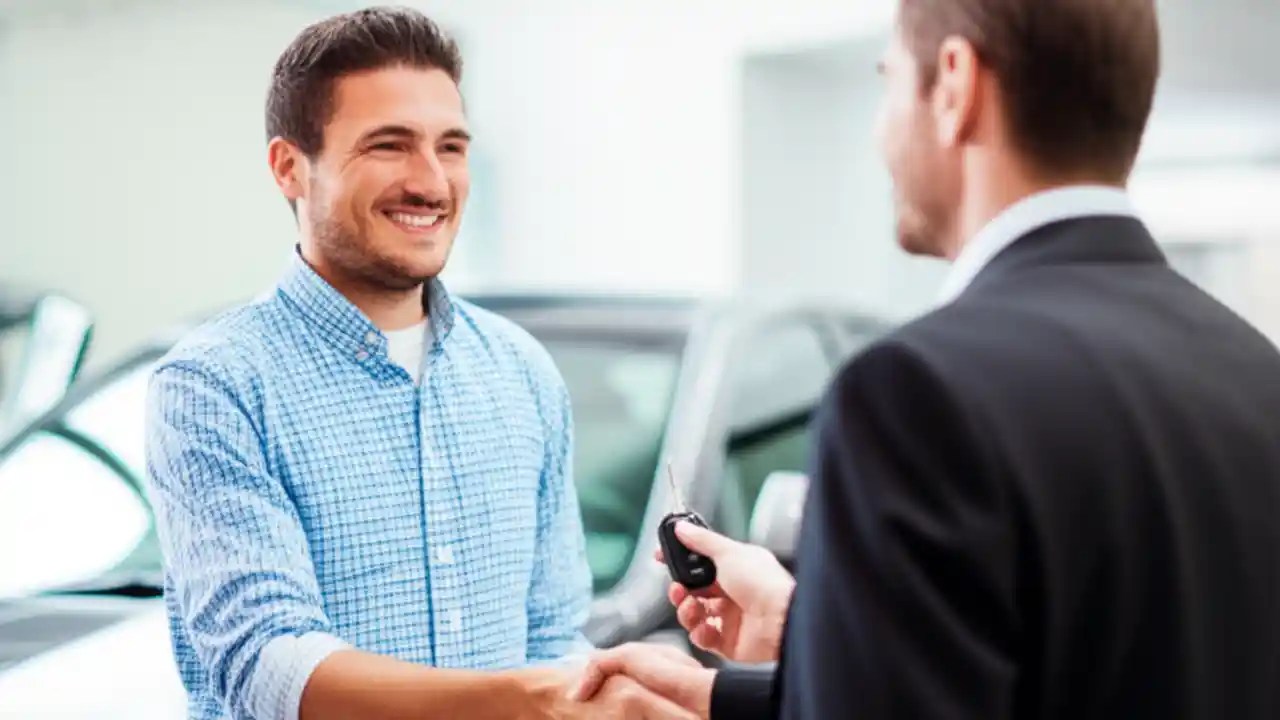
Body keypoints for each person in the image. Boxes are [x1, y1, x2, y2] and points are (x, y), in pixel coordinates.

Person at [575, 0, 1280, 718]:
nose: (881, 133)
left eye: (889, 85)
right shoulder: (1258, 373)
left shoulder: (913, 395)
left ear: (953, 85)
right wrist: (793, 648)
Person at [144, 8, 691, 720]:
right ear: (289, 168)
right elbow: (268, 667)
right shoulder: (215, 385)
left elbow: (555, 638)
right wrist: (534, 701)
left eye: (451, 146)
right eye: (388, 145)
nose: (431, 182)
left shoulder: (522, 372)